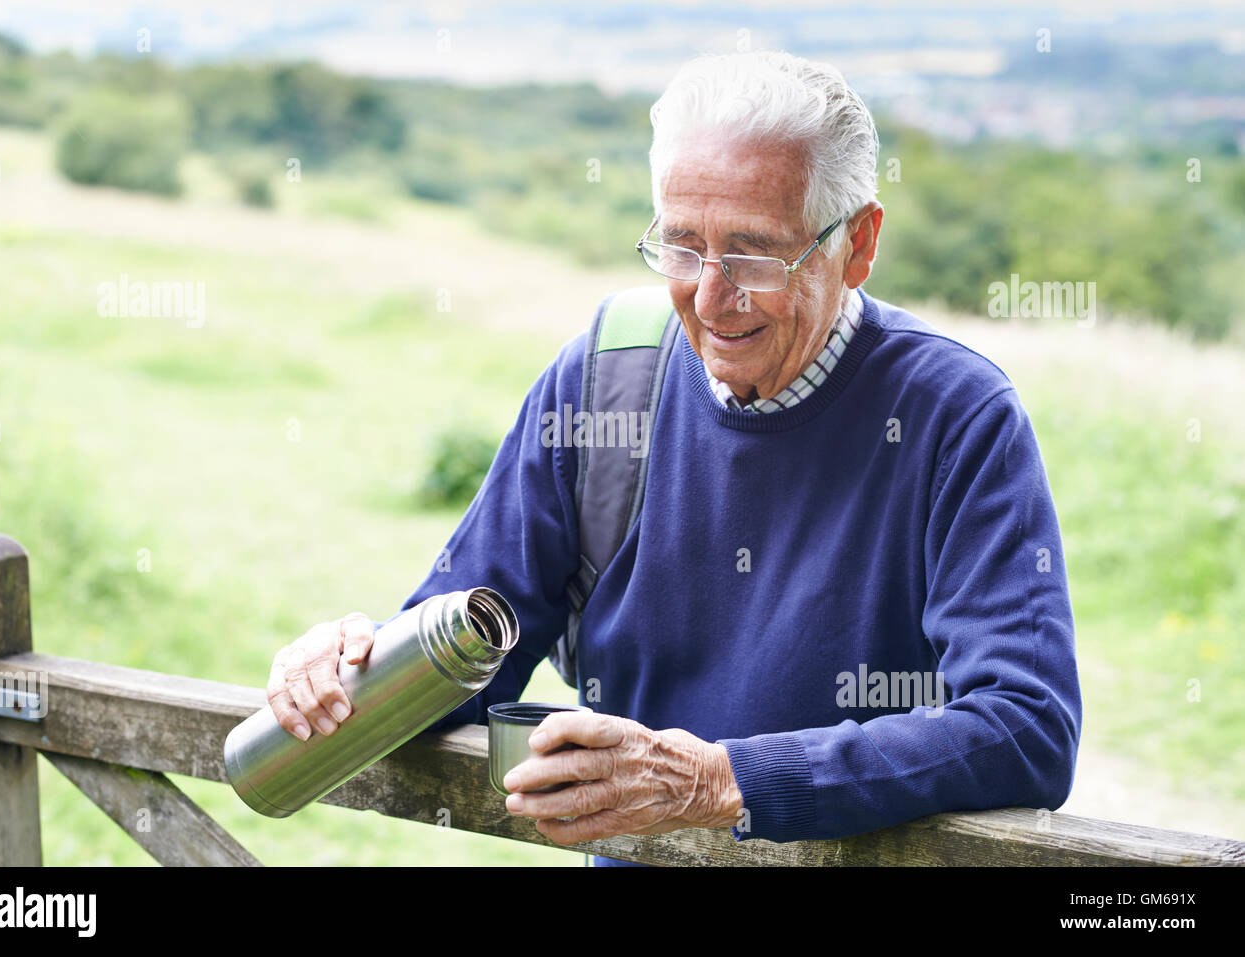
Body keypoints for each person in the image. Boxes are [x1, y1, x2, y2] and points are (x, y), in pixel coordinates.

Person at [264, 51, 1082, 866]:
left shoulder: (957, 415)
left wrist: (727, 781)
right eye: (681, 245)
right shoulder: (607, 374)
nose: (710, 293)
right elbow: (472, 649)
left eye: (755, 253)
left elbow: (1026, 725)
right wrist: (356, 665)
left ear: (858, 244)